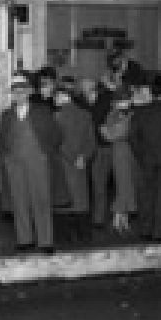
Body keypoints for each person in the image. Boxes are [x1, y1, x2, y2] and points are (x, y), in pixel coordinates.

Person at [0, 74, 66, 254]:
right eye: (15, 91)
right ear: (12, 94)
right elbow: (1, 140)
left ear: (29, 92)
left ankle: (46, 241)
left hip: (38, 160)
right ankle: (24, 239)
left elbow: (56, 135)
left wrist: (45, 153)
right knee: (19, 201)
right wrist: (6, 160)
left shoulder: (42, 111)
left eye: (22, 90)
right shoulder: (6, 115)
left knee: (41, 200)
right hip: (14, 163)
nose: (18, 94)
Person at [128, 76, 161, 242]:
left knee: (146, 195)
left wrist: (140, 154)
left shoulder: (140, 112)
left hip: (145, 159)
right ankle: (159, 232)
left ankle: (145, 229)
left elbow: (132, 137)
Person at [53, 77, 96, 245]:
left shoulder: (56, 116)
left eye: (56, 96)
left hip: (63, 165)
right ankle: (84, 239)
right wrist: (83, 157)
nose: (54, 99)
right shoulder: (86, 115)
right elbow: (91, 142)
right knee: (81, 203)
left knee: (63, 204)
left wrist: (71, 158)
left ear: (65, 96)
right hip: (80, 166)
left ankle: (64, 241)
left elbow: (58, 142)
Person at [78, 74, 115, 230]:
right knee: (84, 184)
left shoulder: (106, 99)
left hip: (102, 147)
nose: (85, 90)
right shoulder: (79, 102)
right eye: (83, 88)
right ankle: (84, 215)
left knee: (99, 185)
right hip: (85, 148)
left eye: (88, 87)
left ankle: (98, 219)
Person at [100, 89, 138, 234]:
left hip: (128, 152)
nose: (127, 102)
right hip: (121, 152)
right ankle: (118, 218)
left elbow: (108, 132)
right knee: (124, 185)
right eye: (125, 99)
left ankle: (123, 219)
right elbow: (111, 134)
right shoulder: (115, 114)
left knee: (128, 185)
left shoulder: (127, 114)